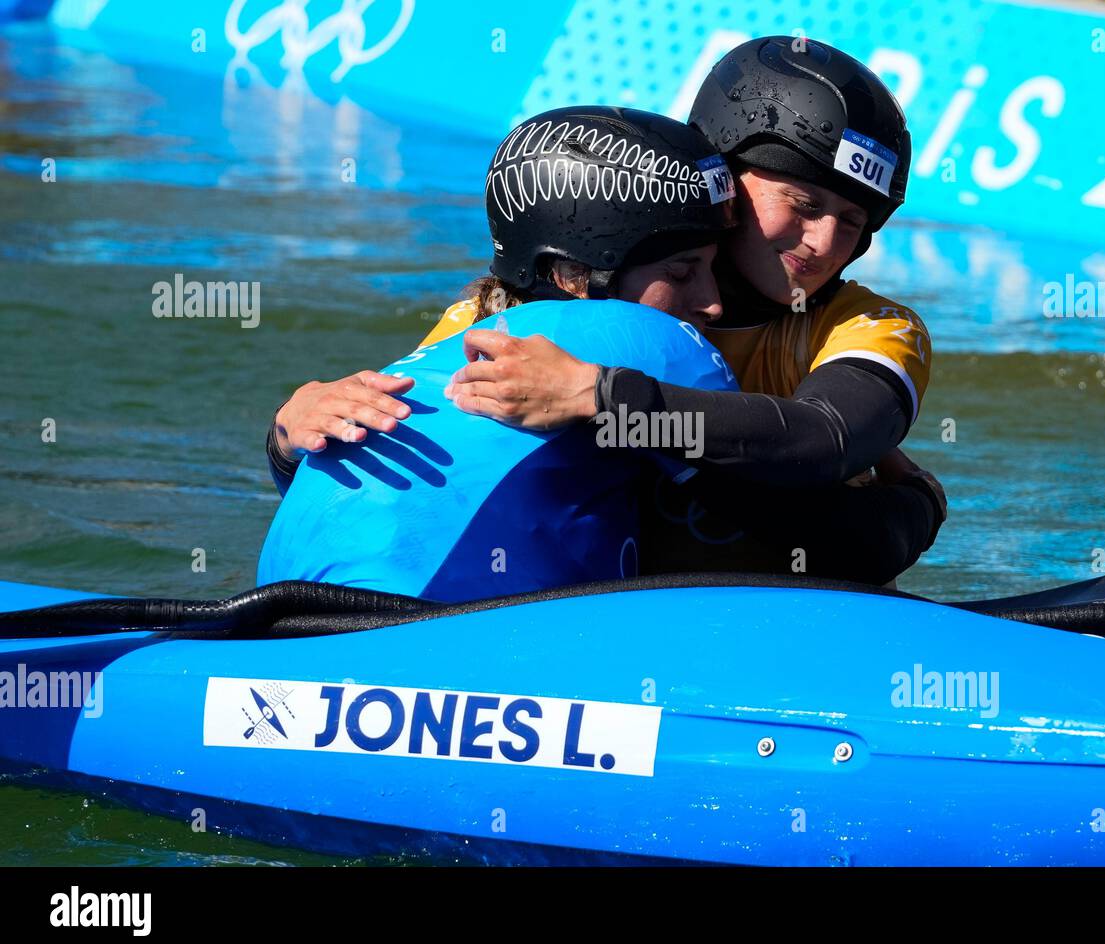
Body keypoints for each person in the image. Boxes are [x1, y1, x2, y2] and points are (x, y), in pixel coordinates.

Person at [269, 39, 946, 585]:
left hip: (797, 580)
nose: (826, 242)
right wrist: (295, 434)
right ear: (721, 179)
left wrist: (601, 398)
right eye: (801, 205)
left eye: (854, 221)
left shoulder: (873, 327)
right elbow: (420, 477)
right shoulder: (510, 309)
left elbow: (828, 438)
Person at [258, 107, 738, 601]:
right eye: (682, 273)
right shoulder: (658, 341)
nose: (714, 302)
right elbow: (762, 519)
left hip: (271, 611)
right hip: (422, 633)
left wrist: (283, 444)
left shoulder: (470, 326)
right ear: (572, 276)